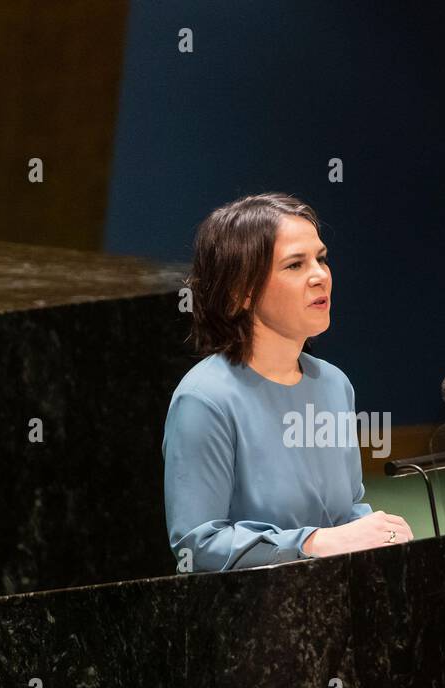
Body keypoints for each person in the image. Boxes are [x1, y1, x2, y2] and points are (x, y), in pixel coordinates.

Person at [162, 192, 414, 572]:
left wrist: (376, 532)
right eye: (295, 265)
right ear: (241, 292)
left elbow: (345, 512)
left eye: (321, 258)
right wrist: (313, 543)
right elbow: (197, 546)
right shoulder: (204, 399)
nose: (320, 275)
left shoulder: (333, 384)